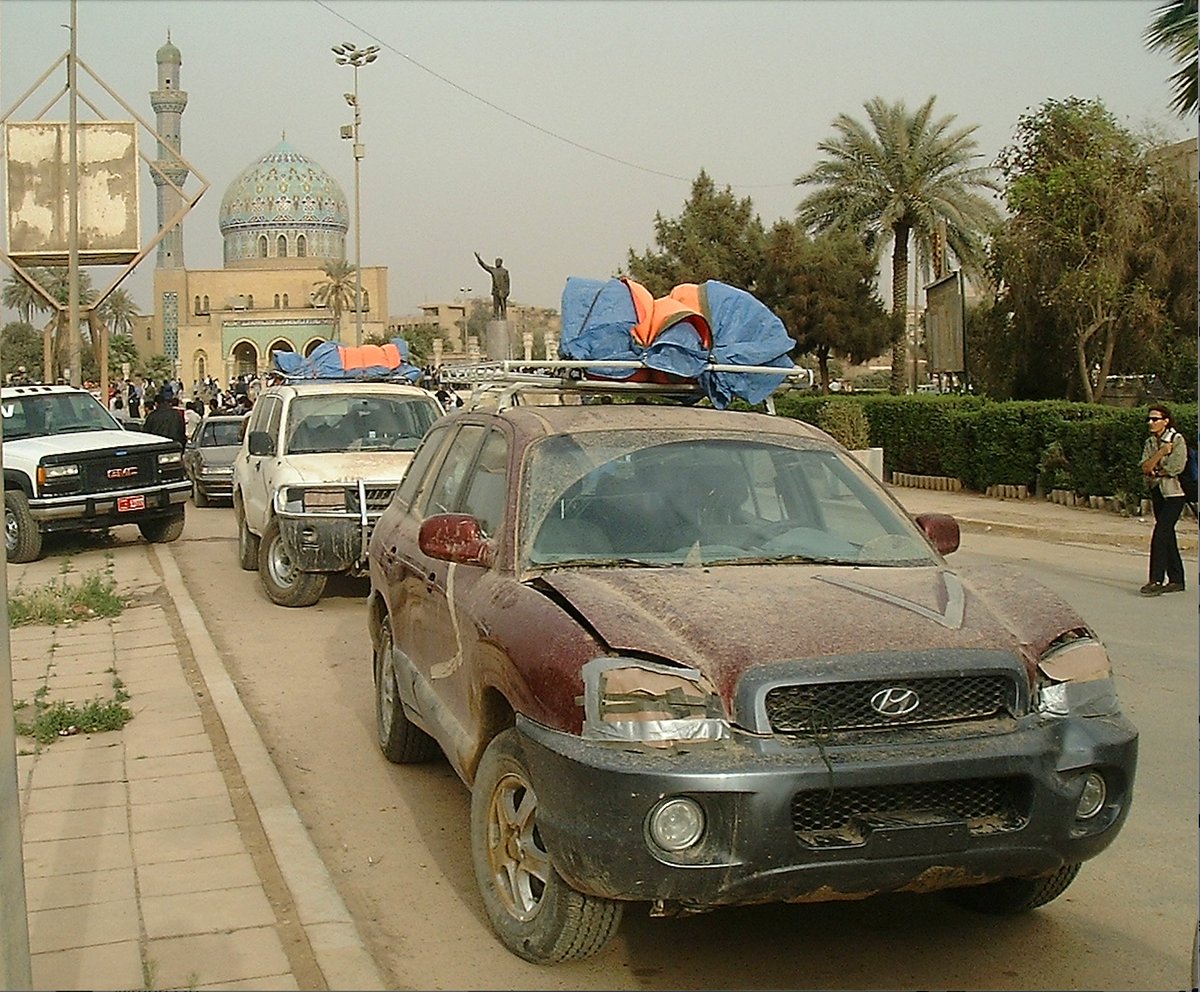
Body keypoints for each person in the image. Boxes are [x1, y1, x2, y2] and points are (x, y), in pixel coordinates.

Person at [1139, 404, 1187, 596]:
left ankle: (1156, 580)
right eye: (1149, 419)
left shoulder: (1177, 440)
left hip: (1176, 494)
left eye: (1155, 419)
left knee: (1160, 535)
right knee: (1167, 536)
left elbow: (1176, 467)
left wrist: (1156, 469)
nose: (1151, 423)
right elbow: (1144, 467)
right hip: (1158, 492)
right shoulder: (1151, 443)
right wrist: (1160, 454)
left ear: (1166, 421)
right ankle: (1177, 579)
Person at [474, 251, 510, 320]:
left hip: (503, 292)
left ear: (501, 263)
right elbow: (485, 266)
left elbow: (507, 282)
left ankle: (503, 316)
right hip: (495, 291)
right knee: (496, 306)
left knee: (503, 306)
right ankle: (496, 316)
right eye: (495, 262)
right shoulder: (493, 270)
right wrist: (479, 259)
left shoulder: (505, 271)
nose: (496, 263)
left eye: (497, 262)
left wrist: (507, 291)